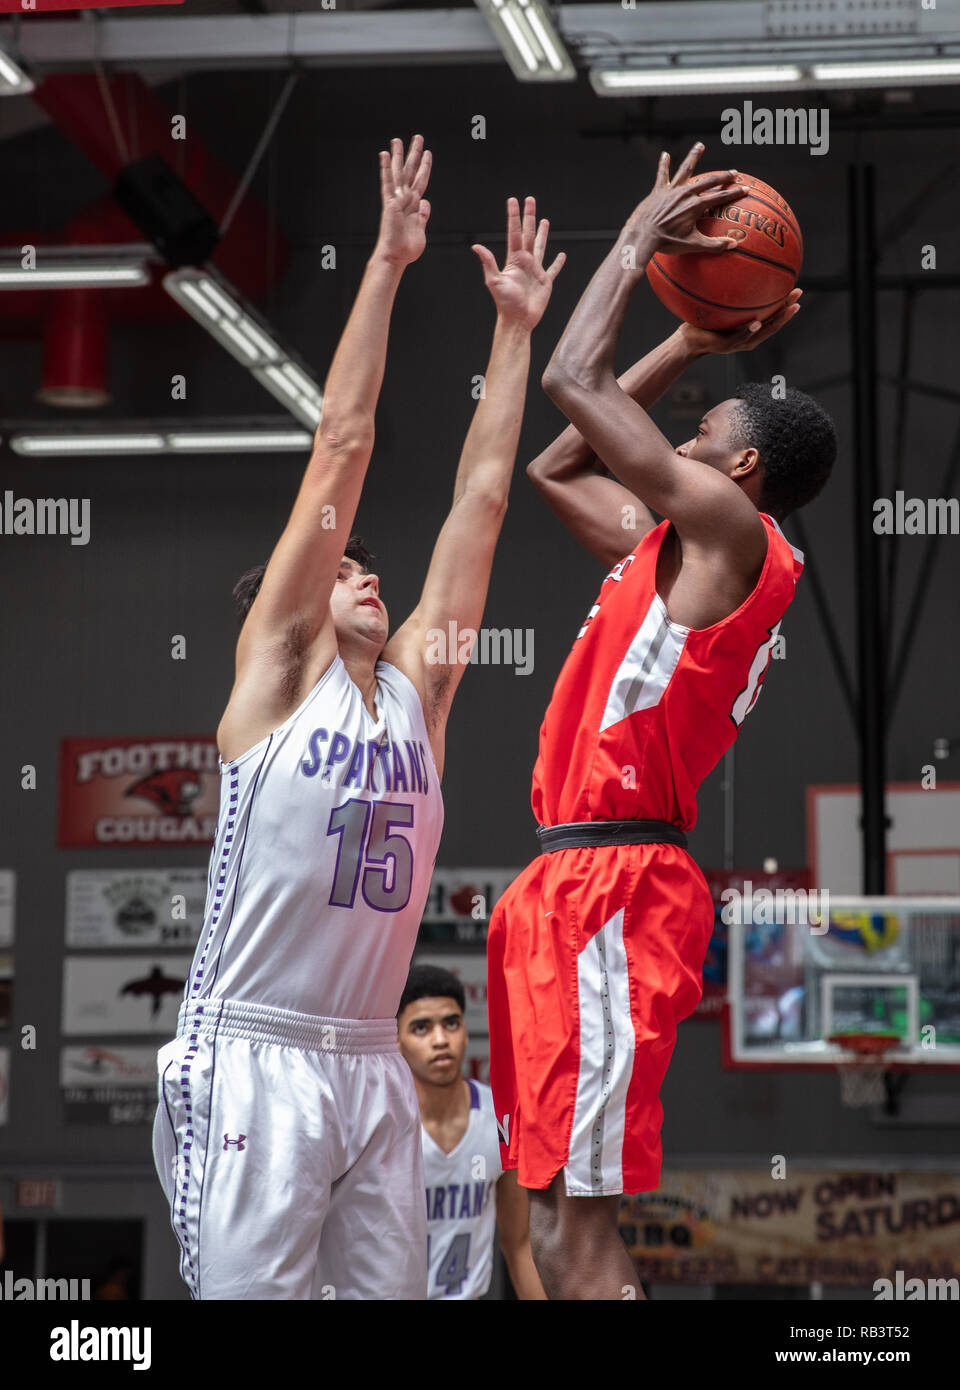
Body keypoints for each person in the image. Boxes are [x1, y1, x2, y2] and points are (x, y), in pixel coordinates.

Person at [152, 134, 564, 1300]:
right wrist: (387, 262)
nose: (367, 575)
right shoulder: (281, 673)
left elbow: (482, 500)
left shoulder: (420, 695)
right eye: (347, 570)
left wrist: (515, 328)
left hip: (369, 1059)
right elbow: (345, 439)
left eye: (374, 570)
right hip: (255, 1050)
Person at [486, 142, 837, 1300]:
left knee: (579, 1233)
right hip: (570, 884)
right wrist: (687, 336)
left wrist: (639, 242)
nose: (673, 442)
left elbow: (570, 385)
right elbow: (557, 460)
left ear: (737, 467)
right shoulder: (671, 554)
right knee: (543, 1217)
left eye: (693, 435)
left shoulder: (733, 538)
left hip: (616, 890)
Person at [397, 963, 546, 1300]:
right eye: (421, 1028)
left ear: (466, 1031)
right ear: (397, 1040)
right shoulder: (382, 1125)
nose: (440, 1040)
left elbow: (519, 1243)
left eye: (451, 1023)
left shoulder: (500, 1119)